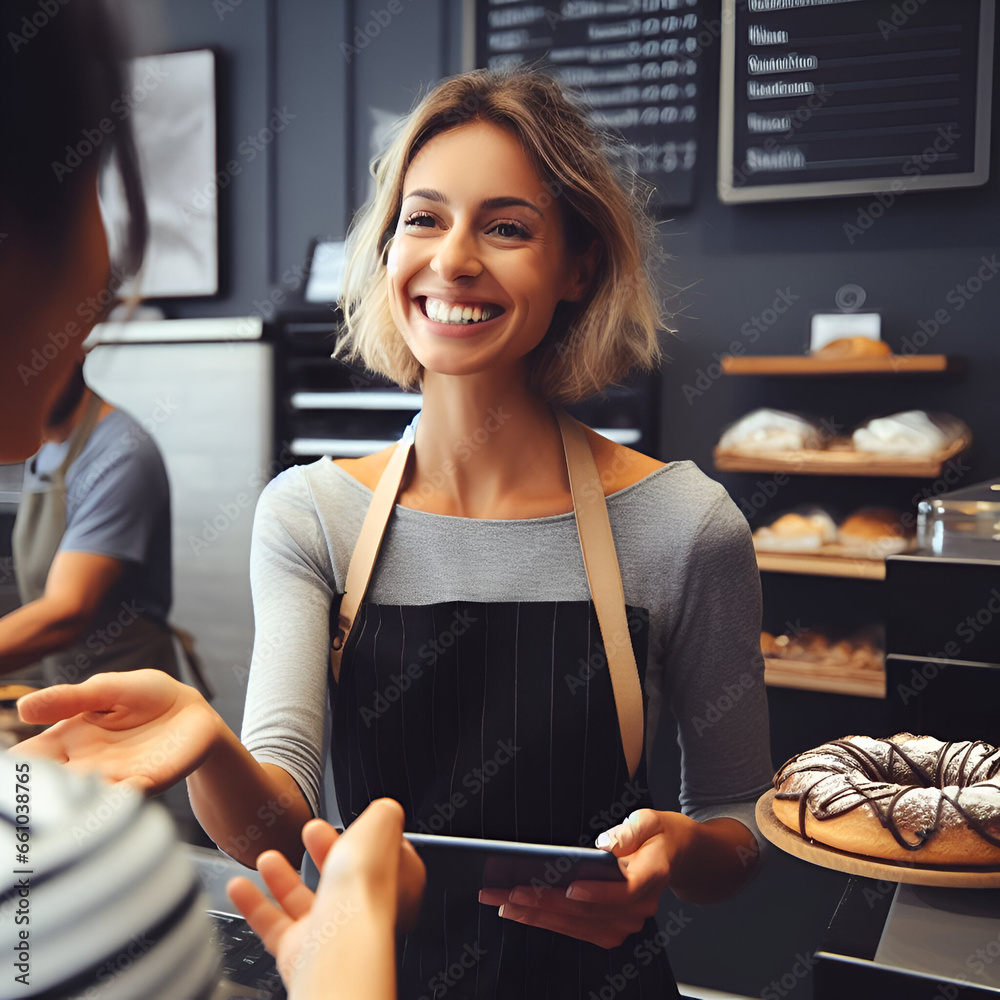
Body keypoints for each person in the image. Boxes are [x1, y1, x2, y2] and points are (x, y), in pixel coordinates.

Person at [17, 69, 774, 998]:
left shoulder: (686, 525)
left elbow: (743, 829)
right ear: (385, 251)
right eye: (424, 218)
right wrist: (209, 745)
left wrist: (682, 850)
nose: (453, 259)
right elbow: (278, 833)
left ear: (578, 266)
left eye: (506, 226)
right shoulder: (310, 515)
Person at [1, 1, 420, 997]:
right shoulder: (56, 876)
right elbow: (277, 820)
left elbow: (68, 604)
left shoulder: (119, 450)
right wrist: (352, 940)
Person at [1, 351, 177, 684]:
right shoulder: (40, 446)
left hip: (127, 696)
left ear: (74, 349)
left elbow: (66, 612)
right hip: (64, 685)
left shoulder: (122, 453)